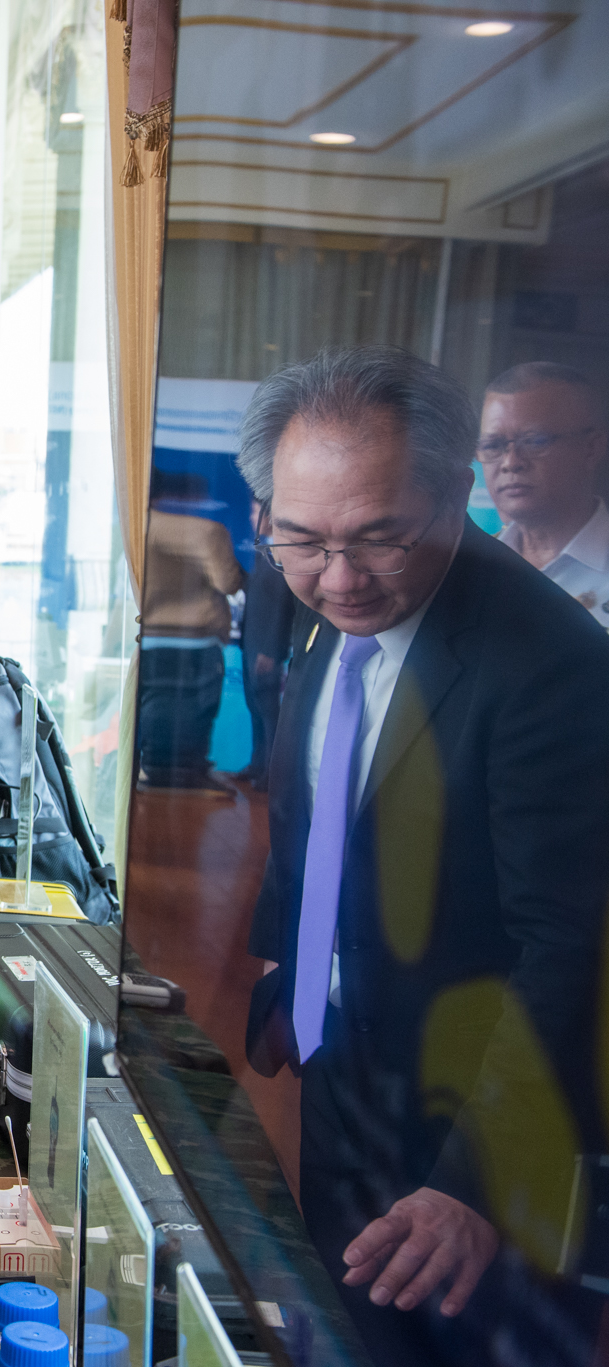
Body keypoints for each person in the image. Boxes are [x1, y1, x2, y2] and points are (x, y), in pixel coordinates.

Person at [239, 346, 609, 1367]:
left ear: (455, 493)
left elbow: (564, 946)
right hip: (344, 1052)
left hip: (474, 1101)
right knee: (337, 1323)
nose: (339, 578)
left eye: (378, 539)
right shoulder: (326, 605)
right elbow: (310, 795)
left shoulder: (550, 667)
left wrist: (471, 1180)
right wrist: (288, 963)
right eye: (302, 541)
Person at [478, 361, 609, 628]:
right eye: (493, 445)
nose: (510, 462)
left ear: (592, 448)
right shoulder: (467, 566)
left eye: (535, 441)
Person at [136, 468, 242, 792]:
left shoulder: (131, 528)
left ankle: (153, 772)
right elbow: (229, 581)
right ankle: (185, 777)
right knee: (194, 710)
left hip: (147, 637)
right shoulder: (205, 530)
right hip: (194, 639)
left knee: (155, 707)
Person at [238, 498, 295, 784]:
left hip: (266, 650)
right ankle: (257, 765)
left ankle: (272, 776)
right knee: (255, 707)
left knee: (270, 713)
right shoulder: (263, 552)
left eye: (255, 510)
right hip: (250, 644)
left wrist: (272, 652)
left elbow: (283, 609)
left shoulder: (285, 556)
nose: (251, 516)